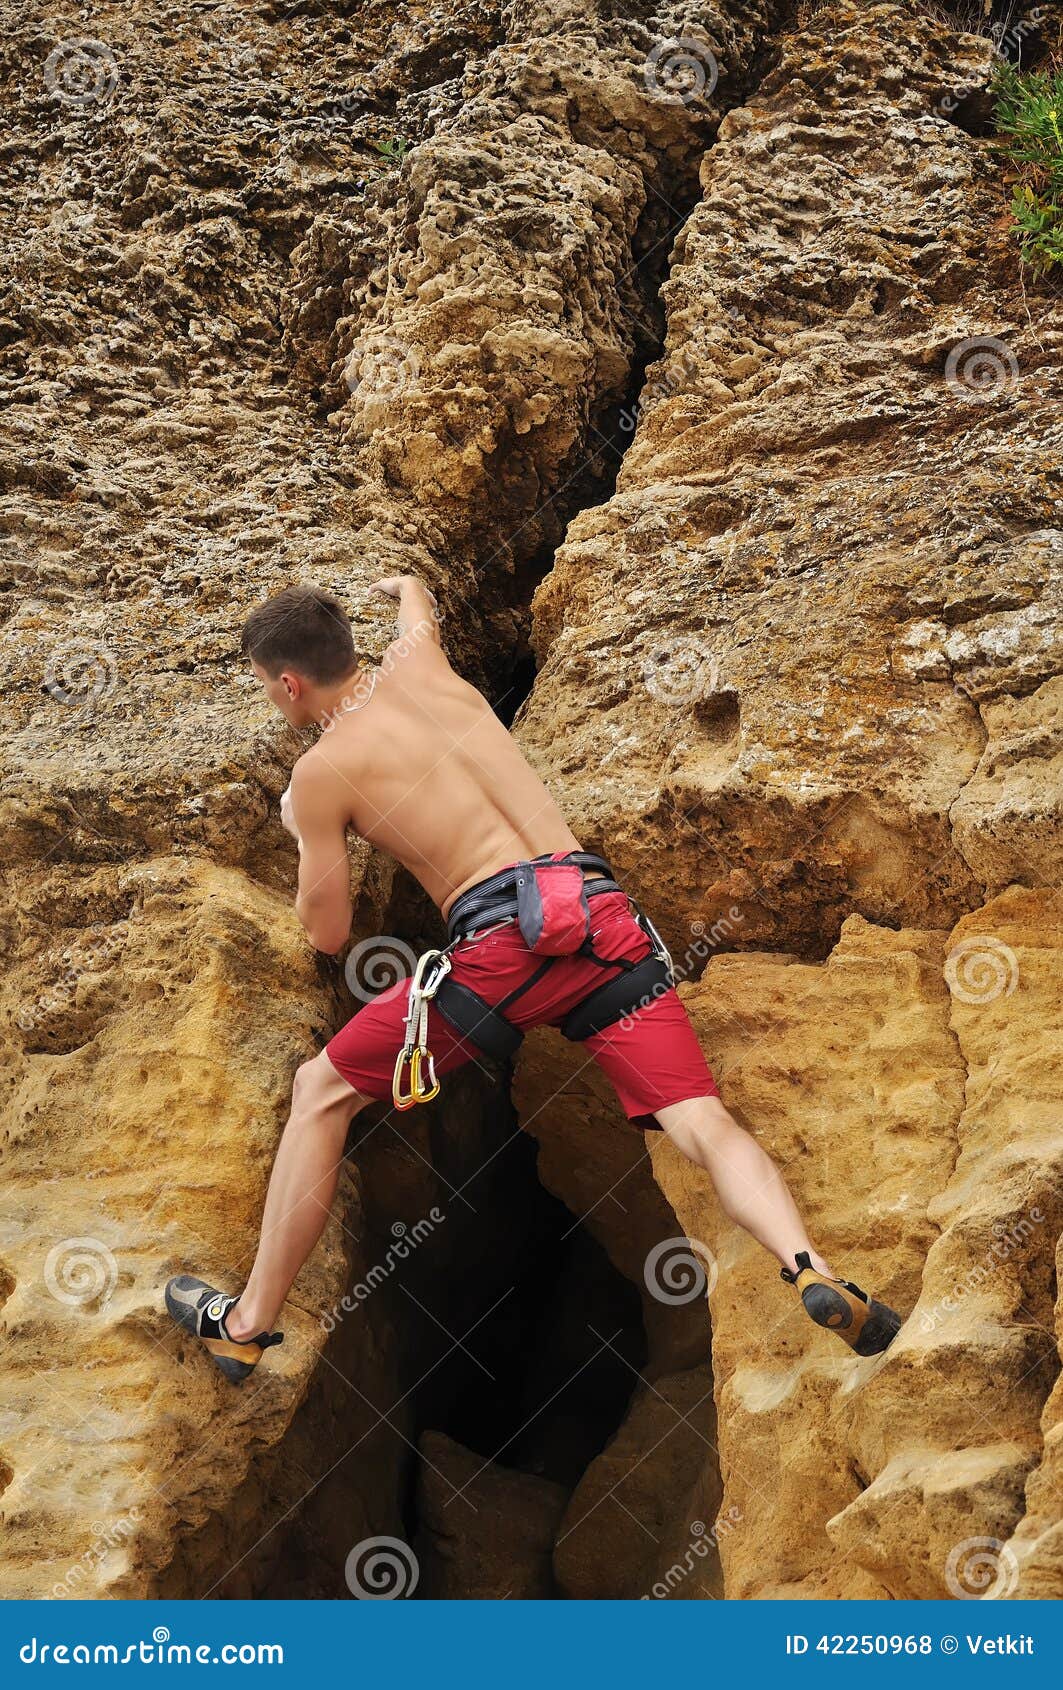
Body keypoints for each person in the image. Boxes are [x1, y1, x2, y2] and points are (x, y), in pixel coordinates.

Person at [166, 578, 901, 1381]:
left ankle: (244, 1324)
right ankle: (809, 1267)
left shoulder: (323, 771)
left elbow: (328, 931)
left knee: (322, 1091)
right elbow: (417, 606)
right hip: (601, 920)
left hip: (502, 948)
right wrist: (404, 588)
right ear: (350, 644)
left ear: (288, 683)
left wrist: (304, 828)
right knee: (700, 1122)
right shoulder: (420, 665)